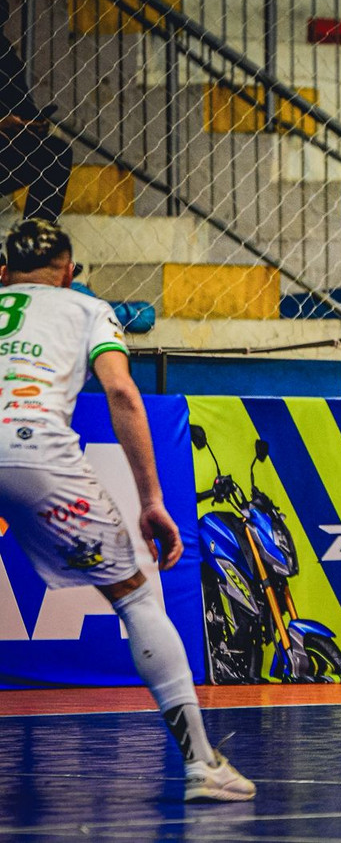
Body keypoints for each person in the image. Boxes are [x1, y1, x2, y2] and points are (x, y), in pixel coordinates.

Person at [0, 219, 255, 801]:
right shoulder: (87, 311)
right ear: (68, 272)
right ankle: (203, 766)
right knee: (138, 597)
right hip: (36, 452)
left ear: (3, 272)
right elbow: (120, 392)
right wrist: (152, 502)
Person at [0, 0, 71, 222]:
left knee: (56, 154)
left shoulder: (5, 56)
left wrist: (33, 124)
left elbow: (21, 102)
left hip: (5, 148)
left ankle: (35, 241)